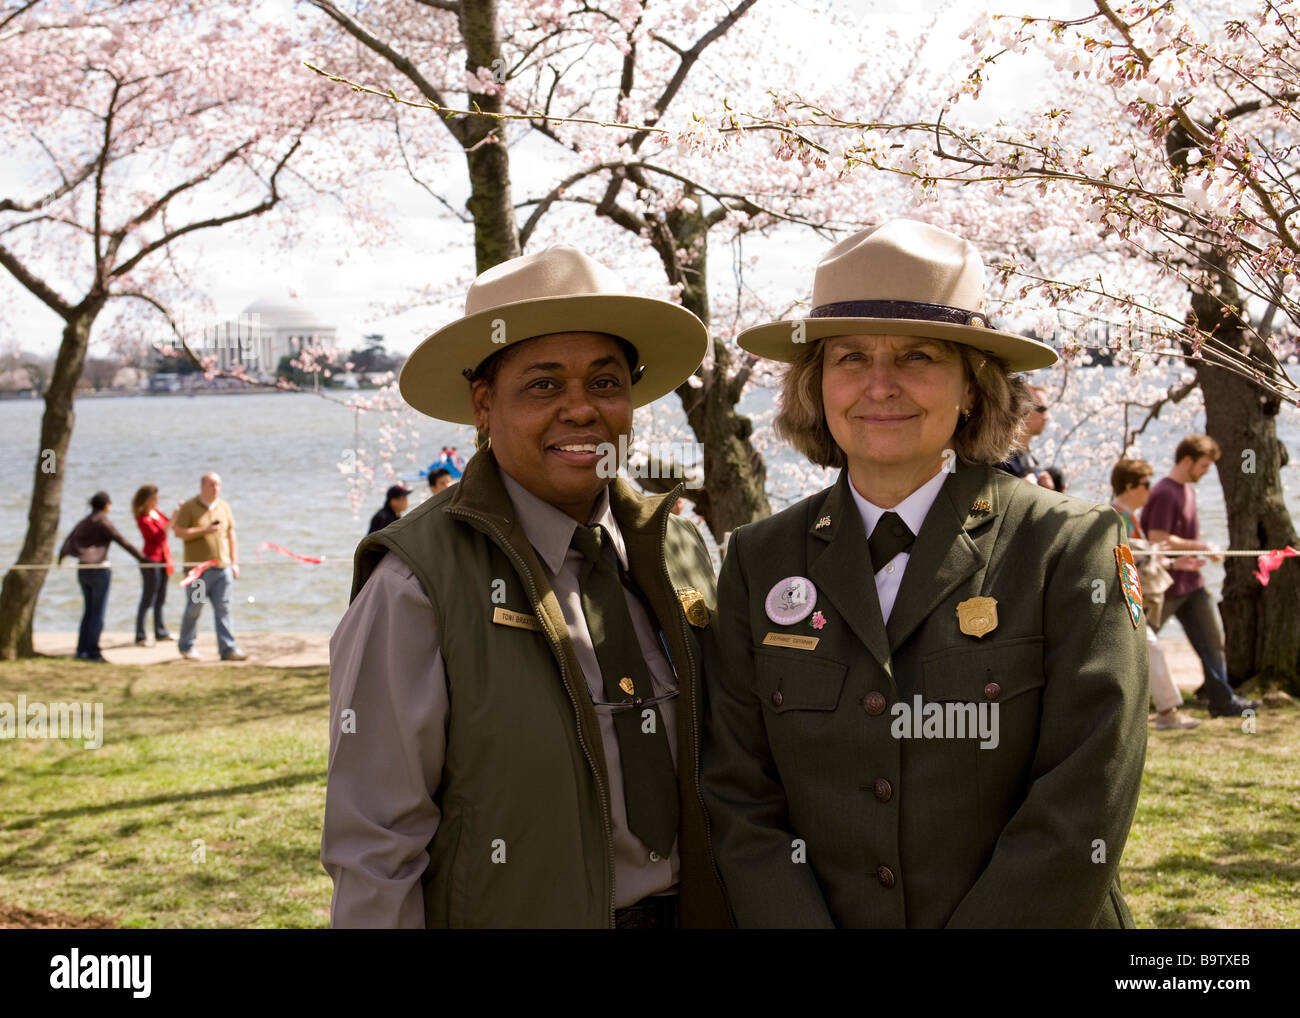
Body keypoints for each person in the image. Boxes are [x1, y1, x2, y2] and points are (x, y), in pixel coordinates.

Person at [701, 219, 1148, 928]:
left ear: (973, 389)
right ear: (817, 386)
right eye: (850, 357)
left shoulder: (1069, 548)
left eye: (918, 356)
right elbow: (739, 798)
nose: (880, 385)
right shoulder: (760, 562)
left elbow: (1084, 798)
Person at [322, 245, 730, 928]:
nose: (581, 409)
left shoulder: (679, 547)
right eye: (544, 385)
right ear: (483, 405)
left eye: (605, 382)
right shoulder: (416, 584)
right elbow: (376, 849)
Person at [1141, 435, 1259, 718]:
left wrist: (1202, 550)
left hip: (1192, 584)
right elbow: (1159, 539)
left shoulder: (1187, 491)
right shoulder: (1164, 492)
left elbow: (1179, 537)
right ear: (1186, 461)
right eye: (1203, 466)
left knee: (1212, 643)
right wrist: (1202, 546)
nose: (1206, 472)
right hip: (1166, 585)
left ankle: (1222, 702)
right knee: (1139, 641)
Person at [1110, 458, 1198, 730]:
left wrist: (1175, 563)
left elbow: (1140, 558)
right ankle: (1166, 713)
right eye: (1146, 484)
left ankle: (1155, 712)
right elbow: (1125, 558)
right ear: (1129, 486)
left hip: (1128, 599)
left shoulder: (1128, 517)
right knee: (1151, 649)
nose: (1151, 490)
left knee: (1140, 653)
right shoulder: (1115, 516)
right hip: (1118, 600)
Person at [58, 491, 146, 662]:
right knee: (97, 612)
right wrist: (143, 559)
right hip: (99, 570)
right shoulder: (103, 521)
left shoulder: (84, 522)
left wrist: (61, 557)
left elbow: (69, 540)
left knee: (88, 611)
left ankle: (82, 650)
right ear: (107, 505)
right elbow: (123, 541)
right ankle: (93, 652)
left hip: (83, 569)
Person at [172, 472, 247, 662]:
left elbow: (231, 534)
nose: (215, 489)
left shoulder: (224, 507)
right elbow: (178, 532)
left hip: (223, 569)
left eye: (218, 485)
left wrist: (234, 562)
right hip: (198, 572)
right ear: (202, 486)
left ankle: (228, 649)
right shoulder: (189, 507)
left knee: (224, 608)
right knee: (195, 607)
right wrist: (204, 531)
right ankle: (187, 646)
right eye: (211, 485)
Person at [131, 485, 175, 646]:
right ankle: (140, 635)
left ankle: (160, 631)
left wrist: (178, 514)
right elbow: (159, 536)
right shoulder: (142, 517)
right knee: (148, 597)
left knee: (161, 597)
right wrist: (173, 521)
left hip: (164, 558)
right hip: (150, 560)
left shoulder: (157, 513)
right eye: (154, 498)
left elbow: (170, 525)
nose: (156, 501)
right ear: (147, 499)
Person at [996, 384, 1056, 488]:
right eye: (1041, 409)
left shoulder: (1031, 460)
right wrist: (1022, 488)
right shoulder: (998, 457)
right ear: (1021, 408)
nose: (1046, 417)